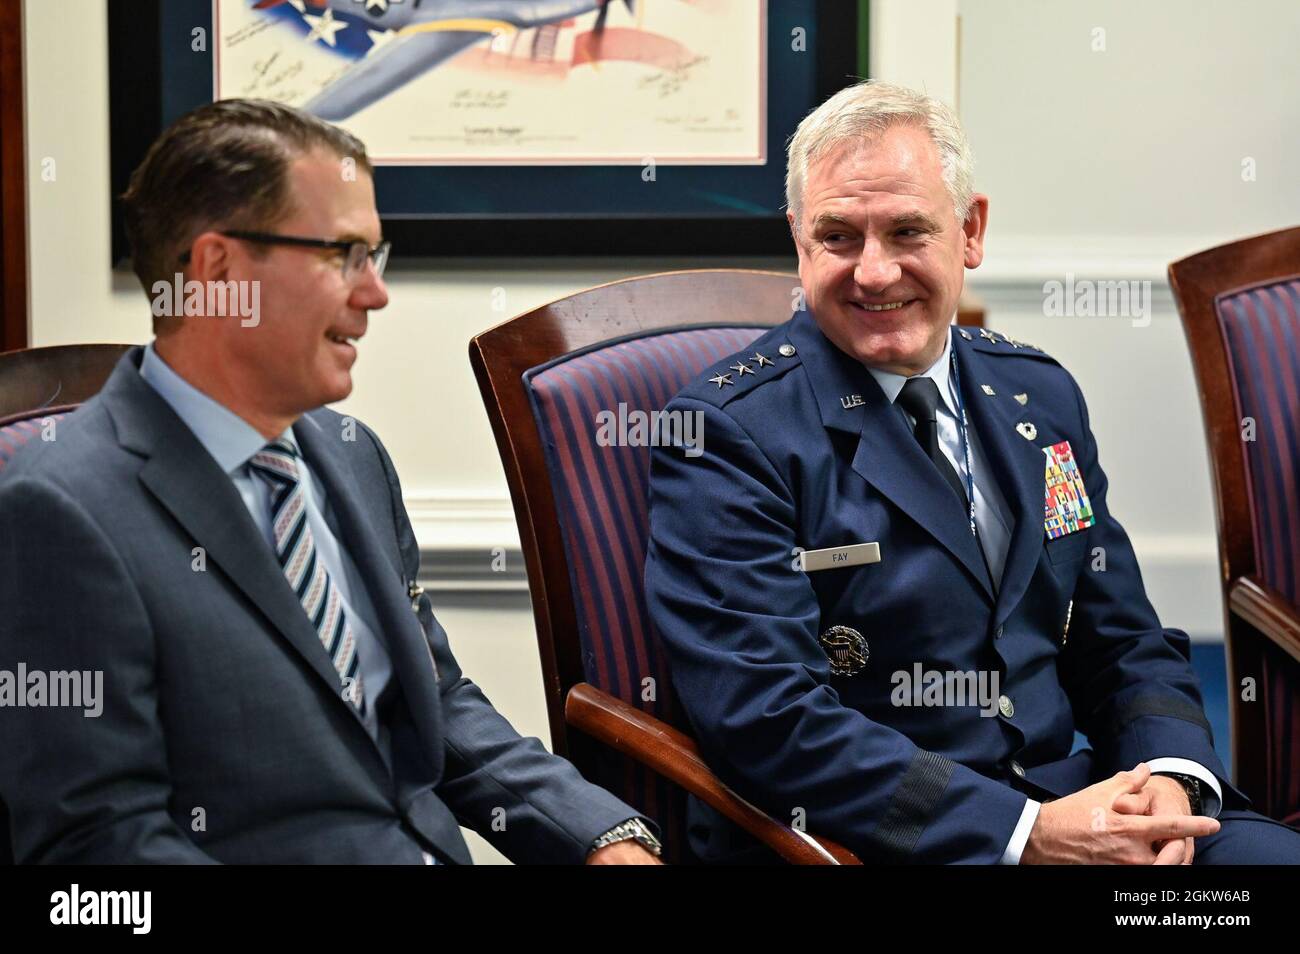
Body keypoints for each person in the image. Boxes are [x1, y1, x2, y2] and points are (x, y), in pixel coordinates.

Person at [644, 80, 1300, 864]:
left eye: (907, 231)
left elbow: (1121, 635)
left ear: (971, 229)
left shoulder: (1040, 395)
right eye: (839, 237)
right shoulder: (727, 434)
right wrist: (1026, 835)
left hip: (1082, 804)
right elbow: (768, 718)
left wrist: (1172, 777)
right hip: (885, 840)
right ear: (799, 240)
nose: (875, 273)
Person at [0, 99, 661, 865]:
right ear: (218, 270)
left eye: (373, 258)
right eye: (342, 254)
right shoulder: (58, 510)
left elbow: (437, 704)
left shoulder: (350, 455)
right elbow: (92, 850)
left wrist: (600, 837)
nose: (374, 294)